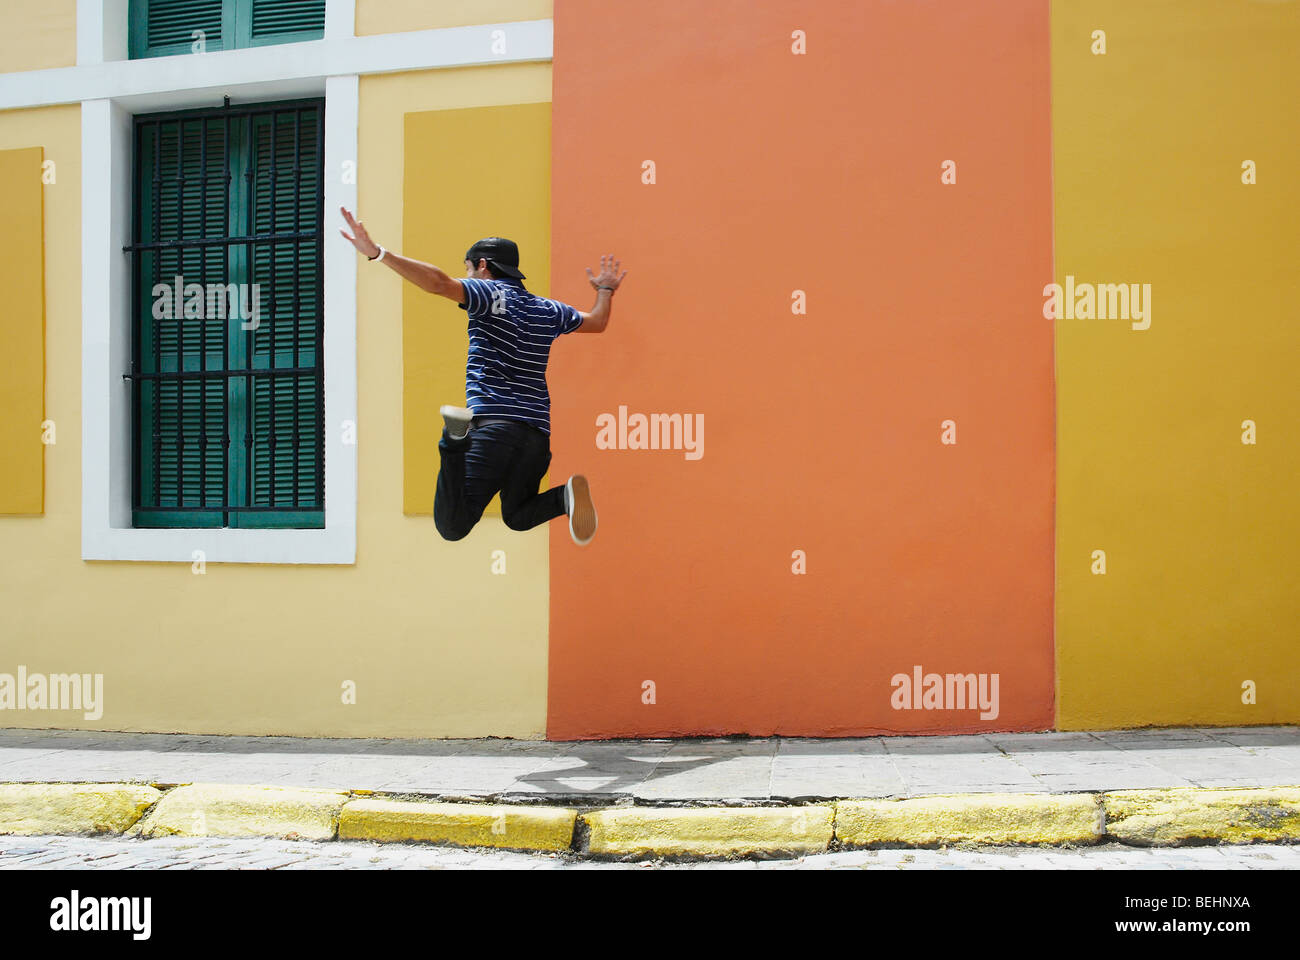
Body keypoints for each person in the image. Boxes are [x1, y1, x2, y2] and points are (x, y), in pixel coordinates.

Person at [338, 207, 627, 545]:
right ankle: (564, 497)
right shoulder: (548, 309)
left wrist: (378, 253)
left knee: (453, 525)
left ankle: (454, 440)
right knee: (518, 516)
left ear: (483, 265)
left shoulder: (489, 294)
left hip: (494, 428)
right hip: (535, 437)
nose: (467, 275)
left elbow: (438, 283)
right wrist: (605, 291)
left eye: (468, 268)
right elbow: (597, 322)